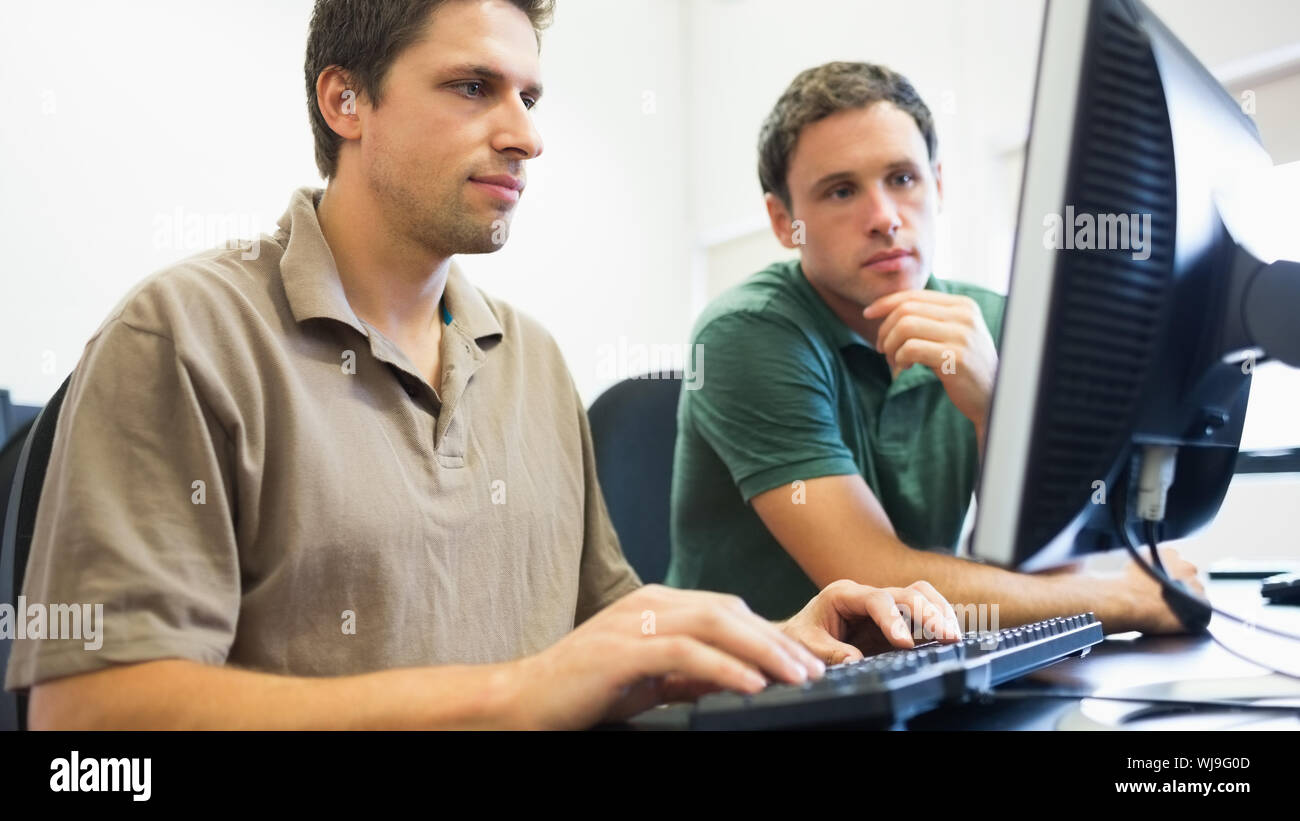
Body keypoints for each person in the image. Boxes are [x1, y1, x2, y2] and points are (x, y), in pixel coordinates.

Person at [4, 2, 963, 731]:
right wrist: (515, 694)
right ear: (347, 101)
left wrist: (778, 639)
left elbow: (607, 622)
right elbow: (91, 721)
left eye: (530, 97)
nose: (526, 134)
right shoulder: (183, 335)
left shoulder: (533, 360)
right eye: (474, 88)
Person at [666, 61, 1204, 632]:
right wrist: (1121, 600)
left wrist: (994, 410)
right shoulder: (745, 333)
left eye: (902, 178)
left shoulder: (996, 323)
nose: (884, 218)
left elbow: (1045, 568)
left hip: (921, 666)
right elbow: (874, 579)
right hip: (750, 692)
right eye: (841, 190)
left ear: (938, 184)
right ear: (783, 222)